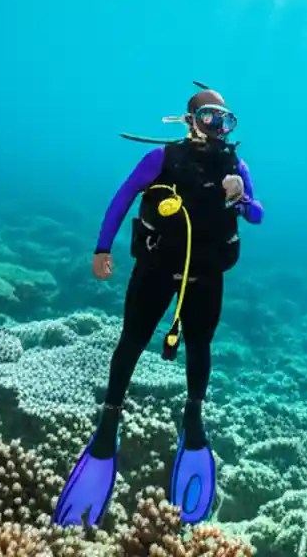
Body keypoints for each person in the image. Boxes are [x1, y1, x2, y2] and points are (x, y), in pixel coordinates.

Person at [53, 84, 263, 528]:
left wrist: (241, 198)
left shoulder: (235, 166)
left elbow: (258, 214)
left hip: (206, 275)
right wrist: (102, 247)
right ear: (190, 120)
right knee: (131, 340)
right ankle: (110, 416)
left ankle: (193, 416)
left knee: (200, 346)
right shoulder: (162, 159)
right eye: (208, 116)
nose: (217, 126)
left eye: (224, 119)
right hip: (155, 268)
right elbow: (123, 196)